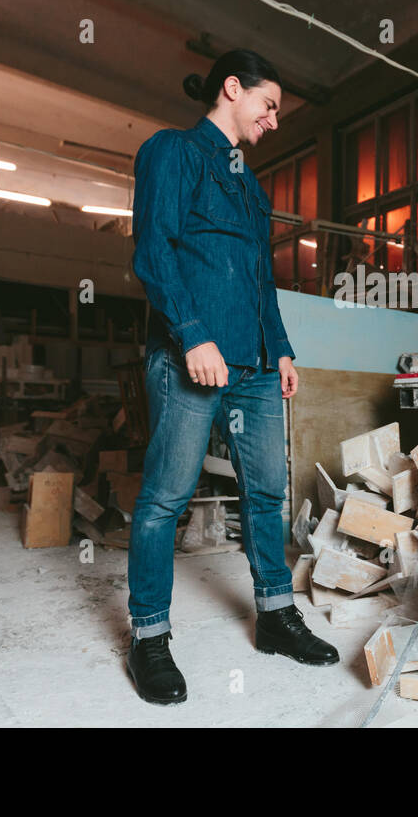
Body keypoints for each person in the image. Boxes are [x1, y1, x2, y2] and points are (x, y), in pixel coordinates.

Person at [125, 49, 338, 705]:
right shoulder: (171, 152)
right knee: (166, 498)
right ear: (231, 89)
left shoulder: (250, 186)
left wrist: (281, 349)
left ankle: (275, 616)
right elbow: (153, 250)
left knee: (268, 494)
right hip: (188, 360)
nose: (273, 120)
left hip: (252, 370)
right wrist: (192, 335)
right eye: (267, 105)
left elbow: (260, 281)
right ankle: (149, 638)